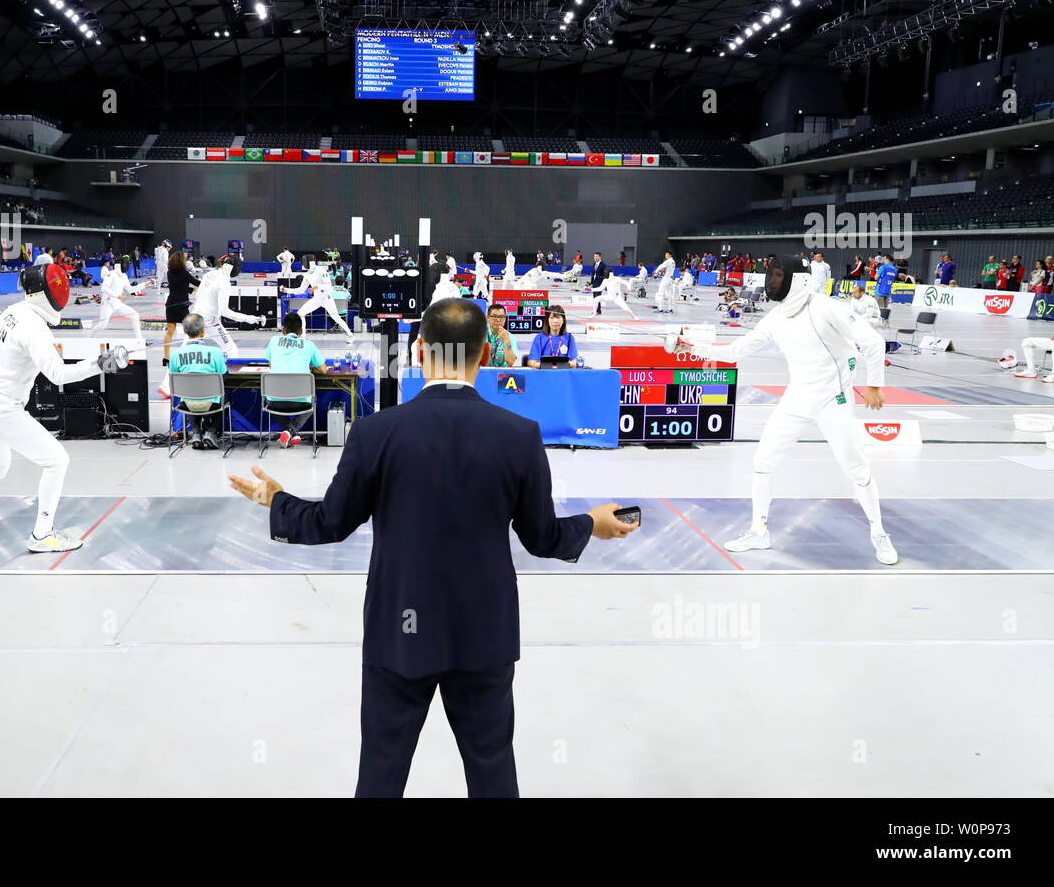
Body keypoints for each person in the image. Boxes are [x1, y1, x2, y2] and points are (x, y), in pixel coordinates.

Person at [226, 298, 636, 797]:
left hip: (399, 631)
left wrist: (277, 500)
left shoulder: (376, 432)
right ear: (487, 356)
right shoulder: (519, 436)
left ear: (419, 351)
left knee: (381, 769)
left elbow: (329, 523)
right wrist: (591, 524)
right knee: (491, 768)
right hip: (483, 634)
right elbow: (543, 537)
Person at [675, 255, 898, 565]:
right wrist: (693, 348)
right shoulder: (776, 317)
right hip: (798, 396)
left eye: (779, 276)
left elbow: (873, 343)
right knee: (763, 461)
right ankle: (758, 531)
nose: (773, 283)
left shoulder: (826, 307)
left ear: (798, 279)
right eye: (773, 276)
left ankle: (879, 533)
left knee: (857, 471)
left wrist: (875, 385)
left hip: (835, 399)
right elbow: (736, 351)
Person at [0, 264, 124, 553]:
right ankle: (43, 535)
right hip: (0, 407)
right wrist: (98, 364)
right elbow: (57, 375)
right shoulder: (35, 328)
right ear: (49, 292)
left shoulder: (13, 311)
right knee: (56, 461)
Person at [264, 312, 329, 448]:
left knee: (268, 399)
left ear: (283, 330)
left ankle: (288, 432)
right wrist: (310, 368)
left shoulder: (274, 341)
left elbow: (271, 365)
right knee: (313, 400)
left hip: (275, 401)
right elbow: (323, 369)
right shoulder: (309, 345)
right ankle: (290, 431)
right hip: (301, 403)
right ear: (301, 331)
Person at [168, 313, 229, 450]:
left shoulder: (175, 354)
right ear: (203, 331)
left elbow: (174, 377)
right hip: (212, 404)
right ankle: (211, 432)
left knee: (191, 394)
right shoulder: (216, 352)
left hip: (186, 403)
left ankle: (196, 433)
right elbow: (224, 375)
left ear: (185, 331)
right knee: (227, 397)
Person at [191, 252, 265, 356]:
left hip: (194, 318)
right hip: (209, 322)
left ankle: (170, 373)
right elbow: (224, 311)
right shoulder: (224, 283)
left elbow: (198, 295)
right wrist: (248, 318)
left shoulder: (209, 274)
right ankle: (225, 372)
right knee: (232, 351)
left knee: (184, 352)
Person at [297, 257, 355, 343]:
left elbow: (327, 286)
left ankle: (351, 335)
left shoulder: (324, 274)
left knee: (337, 318)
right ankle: (303, 336)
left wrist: (317, 287)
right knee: (301, 313)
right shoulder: (343, 286)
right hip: (318, 299)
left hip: (327, 299)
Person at [89, 259, 144, 349]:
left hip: (117, 304)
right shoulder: (111, 274)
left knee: (135, 315)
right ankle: (88, 339)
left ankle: (140, 341)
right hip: (108, 303)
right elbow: (104, 288)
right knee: (102, 325)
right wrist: (117, 296)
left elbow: (130, 289)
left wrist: (145, 284)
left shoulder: (124, 276)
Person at [162, 248, 197, 366]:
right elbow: (197, 282)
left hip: (170, 305)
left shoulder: (169, 273)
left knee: (170, 332)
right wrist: (208, 282)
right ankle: (188, 355)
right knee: (189, 331)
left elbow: (177, 287)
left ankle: (166, 357)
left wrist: (191, 290)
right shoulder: (185, 273)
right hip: (182, 306)